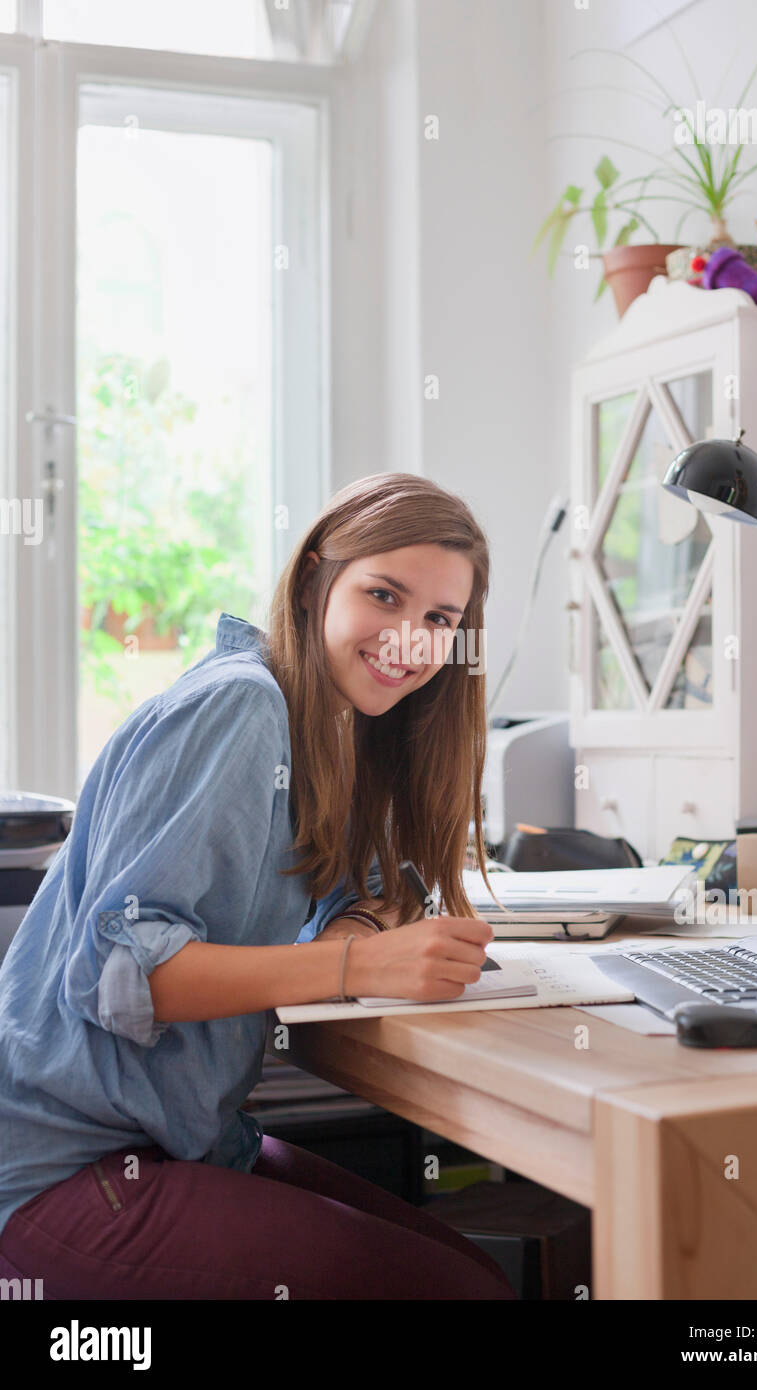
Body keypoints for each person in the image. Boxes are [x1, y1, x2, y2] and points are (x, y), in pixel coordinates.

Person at [0, 472, 516, 1300]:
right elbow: (123, 976)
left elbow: (380, 886)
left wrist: (353, 928)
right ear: (315, 576)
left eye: (439, 621)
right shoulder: (240, 707)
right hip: (64, 1171)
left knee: (481, 1275)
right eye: (384, 595)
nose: (410, 640)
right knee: (466, 1293)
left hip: (189, 1143)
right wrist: (359, 967)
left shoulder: (338, 727)